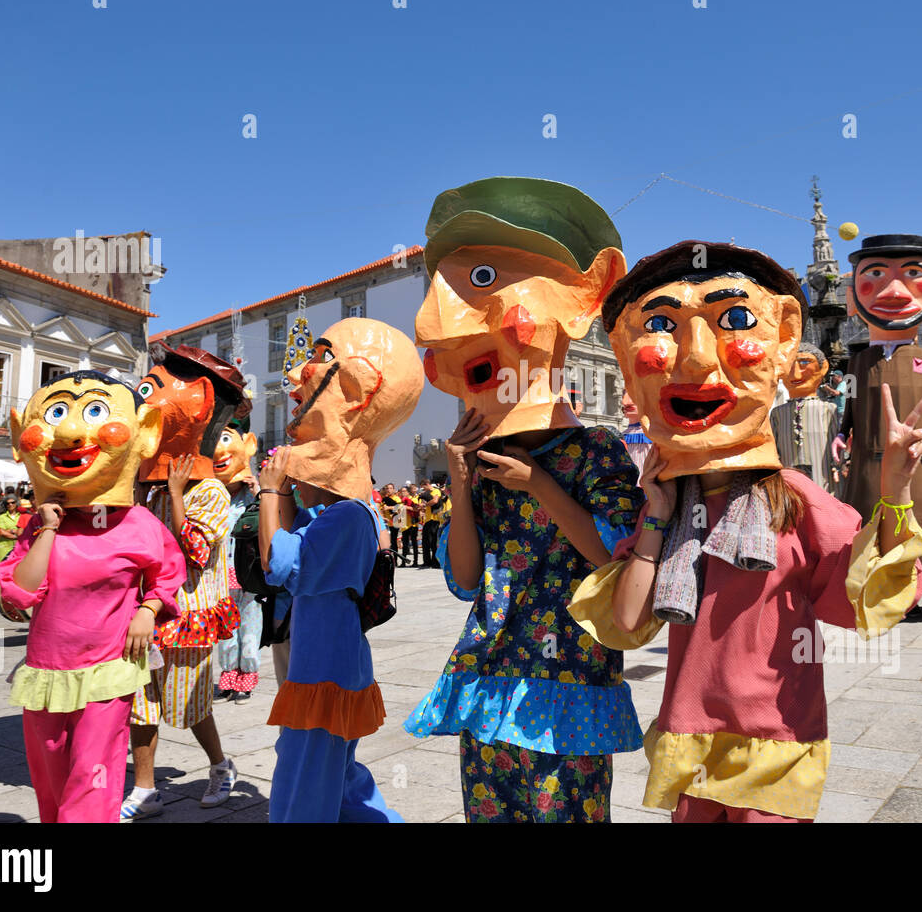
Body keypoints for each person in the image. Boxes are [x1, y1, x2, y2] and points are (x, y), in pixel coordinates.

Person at [571, 239, 922, 823]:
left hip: (775, 741)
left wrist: (896, 488)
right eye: (661, 326)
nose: (694, 360)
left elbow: (867, 599)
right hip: (691, 739)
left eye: (734, 320)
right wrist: (657, 512)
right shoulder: (670, 506)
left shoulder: (792, 499)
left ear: (784, 338)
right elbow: (629, 623)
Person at [405, 176, 644, 822]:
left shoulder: (597, 452)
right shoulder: (480, 459)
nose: (434, 322)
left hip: (568, 688)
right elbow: (462, 578)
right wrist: (460, 481)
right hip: (490, 686)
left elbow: (612, 563)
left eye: (482, 279)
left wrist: (538, 485)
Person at [0, 370, 185, 822]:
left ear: (143, 433)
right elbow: (21, 594)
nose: (67, 431)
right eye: (57, 413)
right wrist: (47, 528)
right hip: (47, 669)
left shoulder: (139, 524)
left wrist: (148, 608)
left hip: (108, 668)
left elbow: (169, 573)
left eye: (94, 411)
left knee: (93, 774)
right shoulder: (38, 525)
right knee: (50, 778)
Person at [261, 318, 422, 822]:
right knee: (341, 779)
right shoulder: (341, 512)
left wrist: (270, 490)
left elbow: (280, 564)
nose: (295, 377)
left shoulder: (349, 514)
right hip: (329, 657)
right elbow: (290, 542)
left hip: (324, 666)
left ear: (357, 386)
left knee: (306, 772)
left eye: (318, 356)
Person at [124, 343, 248, 820]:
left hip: (190, 613)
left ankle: (220, 765)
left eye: (149, 389)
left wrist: (175, 494)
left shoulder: (212, 491)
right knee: (142, 703)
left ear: (198, 401)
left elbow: (193, 551)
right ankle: (145, 788)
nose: (139, 402)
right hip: (147, 614)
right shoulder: (152, 490)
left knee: (191, 704)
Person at [833, 234, 922, 610]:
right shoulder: (857, 362)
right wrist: (840, 434)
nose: (894, 290)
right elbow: (849, 407)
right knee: (870, 521)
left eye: (913, 273)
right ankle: (869, 586)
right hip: (870, 458)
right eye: (876, 274)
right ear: (854, 293)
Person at [212, 416, 262, 703]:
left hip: (248, 573)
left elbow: (268, 522)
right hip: (221, 574)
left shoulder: (252, 497)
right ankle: (228, 676)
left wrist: (256, 490)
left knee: (250, 628)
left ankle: (247, 677)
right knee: (226, 631)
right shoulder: (213, 496)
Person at [770, 342, 839, 495]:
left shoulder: (829, 410)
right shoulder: (777, 413)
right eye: (789, 365)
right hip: (789, 478)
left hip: (824, 478)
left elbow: (837, 444)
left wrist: (839, 466)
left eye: (804, 363)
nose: (796, 374)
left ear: (823, 368)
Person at [419, 479, 444, 569]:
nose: (423, 489)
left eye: (423, 487)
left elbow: (435, 501)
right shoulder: (426, 494)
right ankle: (427, 562)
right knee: (425, 542)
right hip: (428, 520)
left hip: (435, 520)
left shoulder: (436, 490)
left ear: (426, 484)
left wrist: (425, 505)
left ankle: (435, 562)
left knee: (434, 542)